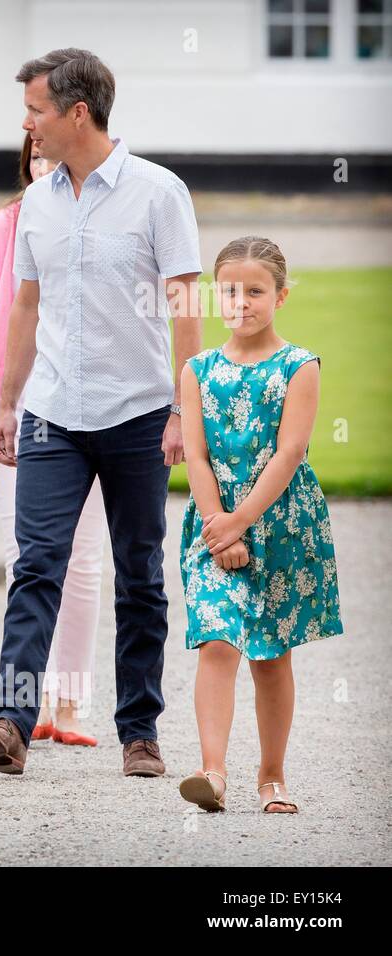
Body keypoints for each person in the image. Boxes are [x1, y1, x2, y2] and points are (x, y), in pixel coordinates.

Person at [0, 48, 204, 777]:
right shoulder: (35, 203)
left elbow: (186, 305)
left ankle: (140, 732)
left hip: (137, 415)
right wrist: (6, 403)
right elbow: (27, 308)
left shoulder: (160, 193)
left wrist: (179, 409)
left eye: (36, 110)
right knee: (35, 564)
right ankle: (11, 719)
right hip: (51, 414)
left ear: (78, 112)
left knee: (139, 574)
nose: (27, 125)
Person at [0, 133, 107, 746]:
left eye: (54, 155)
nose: (45, 166)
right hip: (17, 416)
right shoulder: (3, 227)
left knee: (85, 562)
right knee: (26, 558)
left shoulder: (107, 225)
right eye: (36, 156)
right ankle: (20, 707)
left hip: (94, 414)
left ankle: (69, 707)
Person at [177, 237, 342, 814]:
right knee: (217, 640)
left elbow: (290, 450)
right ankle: (212, 771)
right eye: (229, 290)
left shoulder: (299, 366)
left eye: (255, 291)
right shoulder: (197, 369)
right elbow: (196, 456)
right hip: (213, 524)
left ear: (281, 295)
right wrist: (220, 527)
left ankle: (272, 776)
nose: (241, 301)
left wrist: (243, 523)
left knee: (271, 656)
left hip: (281, 527)